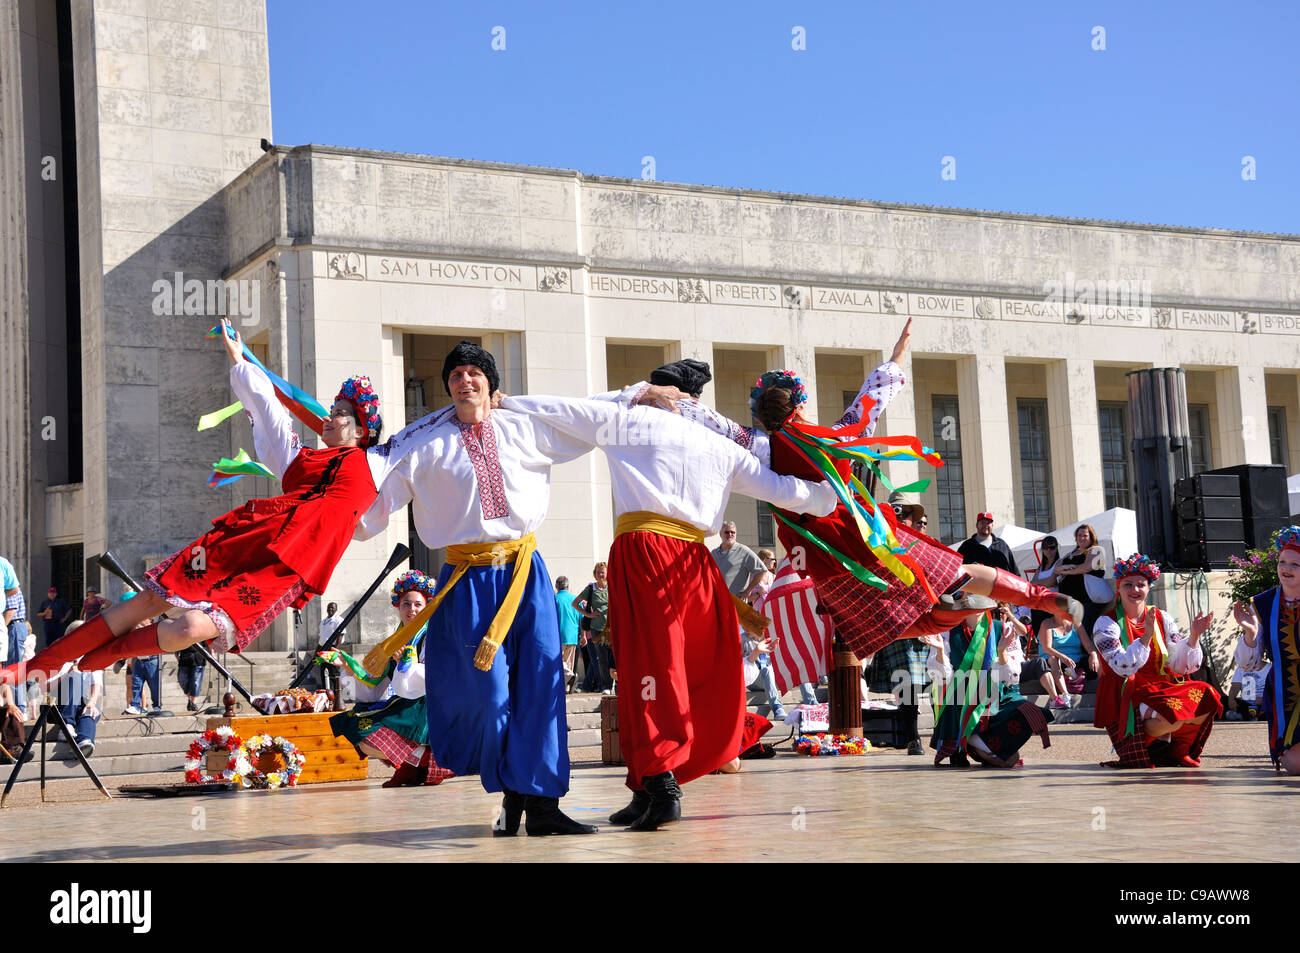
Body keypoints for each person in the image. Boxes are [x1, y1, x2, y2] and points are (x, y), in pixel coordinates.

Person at [635, 319, 1081, 661]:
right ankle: (1037, 597)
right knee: (955, 570)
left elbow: (712, 422)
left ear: (761, 413)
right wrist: (897, 356)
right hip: (873, 535)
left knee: (881, 624)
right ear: (801, 402)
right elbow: (870, 400)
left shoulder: (760, 447)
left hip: (829, 557)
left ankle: (962, 607)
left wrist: (654, 394)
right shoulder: (836, 437)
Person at [499, 390, 835, 830]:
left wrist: (507, 400)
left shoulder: (633, 421)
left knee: (649, 670)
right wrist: (830, 496)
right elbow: (783, 489)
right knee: (687, 669)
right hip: (696, 562)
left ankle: (660, 787)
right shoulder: (720, 446)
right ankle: (645, 784)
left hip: (647, 555)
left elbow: (567, 409)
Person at [2, 319, 387, 688]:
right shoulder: (300, 460)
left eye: (340, 412)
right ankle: (36, 666)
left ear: (361, 429)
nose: (329, 416)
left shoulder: (378, 465)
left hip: (284, 567)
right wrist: (240, 360)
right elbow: (269, 412)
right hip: (248, 538)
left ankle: (108, 652)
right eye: (332, 410)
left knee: (190, 628)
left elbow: (392, 490)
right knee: (151, 598)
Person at [353, 341, 599, 837]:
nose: (465, 381)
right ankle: (511, 788)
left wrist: (641, 394)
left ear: (490, 382)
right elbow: (368, 513)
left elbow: (588, 420)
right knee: (486, 695)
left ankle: (542, 805)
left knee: (542, 686)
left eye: (474, 373)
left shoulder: (524, 425)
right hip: (466, 579)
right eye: (456, 375)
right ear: (448, 387)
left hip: (527, 571)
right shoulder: (423, 442)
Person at [1092, 554, 1221, 768]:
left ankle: (1179, 751)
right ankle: (1149, 748)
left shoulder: (1162, 617)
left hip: (1163, 686)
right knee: (1172, 714)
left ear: (1149, 588)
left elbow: (1178, 665)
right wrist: (1145, 637)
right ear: (1118, 588)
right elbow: (1122, 667)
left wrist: (1194, 636)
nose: (1135, 590)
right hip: (1129, 691)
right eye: (1128, 585)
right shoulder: (1106, 623)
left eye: (1141, 585)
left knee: (1207, 695)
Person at [327, 570, 453, 787]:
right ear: (398, 607)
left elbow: (440, 675)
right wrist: (346, 664)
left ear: (427, 607)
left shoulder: (434, 635)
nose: (411, 610)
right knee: (355, 724)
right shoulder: (395, 640)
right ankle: (412, 764)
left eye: (417, 605)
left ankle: (420, 760)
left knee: (369, 727)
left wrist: (409, 666)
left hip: (428, 705)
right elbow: (376, 681)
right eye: (406, 604)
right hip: (404, 702)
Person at [927, 606, 1052, 768]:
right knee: (1006, 760)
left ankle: (973, 741)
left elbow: (1011, 677)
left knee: (1030, 712)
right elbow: (941, 677)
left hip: (995, 696)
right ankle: (966, 740)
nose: (977, 604)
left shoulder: (1002, 629)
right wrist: (939, 651)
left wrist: (1001, 652)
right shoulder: (947, 632)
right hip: (961, 699)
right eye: (973, 597)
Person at [1232, 526, 1300, 773]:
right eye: (1283, 562)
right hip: (1285, 693)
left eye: (1295, 564)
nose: (1286, 569)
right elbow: (1248, 664)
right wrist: (1250, 634)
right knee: (1293, 764)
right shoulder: (1264, 603)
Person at [52, 622, 102, 758]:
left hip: (79, 703)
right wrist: (67, 673)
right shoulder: (59, 657)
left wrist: (91, 702)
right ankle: (67, 724)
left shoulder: (91, 658)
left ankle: (84, 742)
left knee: (92, 709)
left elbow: (96, 683)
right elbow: (47, 688)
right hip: (55, 703)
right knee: (75, 675)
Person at [1055, 524, 1112, 638]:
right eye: (1079, 535)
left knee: (1084, 631)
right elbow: (1056, 569)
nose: (1082, 538)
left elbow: (1087, 567)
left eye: (1085, 535)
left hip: (1088, 601)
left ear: (1091, 537)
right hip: (1069, 602)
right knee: (1069, 633)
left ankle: (1087, 655)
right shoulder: (1069, 554)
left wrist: (1067, 571)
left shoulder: (1096, 550)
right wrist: (1073, 567)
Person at [573, 563, 613, 693]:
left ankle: (617, 683)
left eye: (603, 572)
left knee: (614, 656)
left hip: (612, 627)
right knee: (602, 658)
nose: (600, 574)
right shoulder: (591, 588)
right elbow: (575, 603)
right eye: (598, 572)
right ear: (594, 574)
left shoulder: (612, 586)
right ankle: (606, 686)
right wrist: (588, 614)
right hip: (597, 628)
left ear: (607, 573)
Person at [1, 556, 28, 712]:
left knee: (13, 668)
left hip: (13, 627)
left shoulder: (9, 591)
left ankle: (19, 706)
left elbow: (10, 611)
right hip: (12, 627)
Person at [956, 512, 1020, 576]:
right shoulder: (967, 546)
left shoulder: (1002, 545)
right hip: (977, 585)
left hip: (1001, 584)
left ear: (992, 525)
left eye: (988, 523)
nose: (985, 525)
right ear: (977, 525)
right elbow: (957, 570)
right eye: (982, 523)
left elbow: (1014, 570)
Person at [554, 577, 581, 692]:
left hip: (557, 636)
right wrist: (584, 635)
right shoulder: (574, 600)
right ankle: (567, 686)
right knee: (568, 663)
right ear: (568, 587)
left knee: (557, 662)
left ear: (556, 587)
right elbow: (581, 619)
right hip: (572, 635)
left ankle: (569, 679)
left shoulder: (554, 599)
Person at [175, 642, 207, 712]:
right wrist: (176, 655)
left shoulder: (201, 632)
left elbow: (208, 644)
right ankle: (190, 700)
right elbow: (177, 643)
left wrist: (212, 653)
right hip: (184, 658)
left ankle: (193, 703)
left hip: (198, 658)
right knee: (182, 680)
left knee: (196, 682)